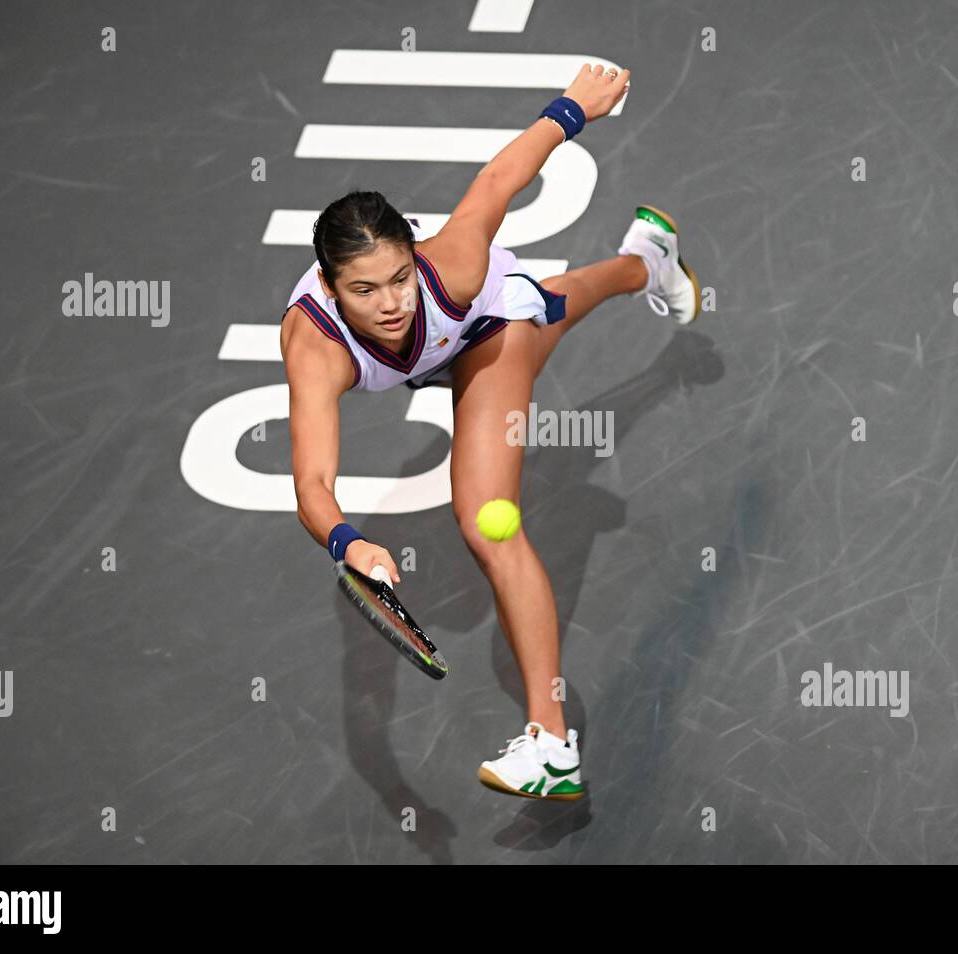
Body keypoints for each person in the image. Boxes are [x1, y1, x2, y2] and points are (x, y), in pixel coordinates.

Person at [279, 63, 702, 800]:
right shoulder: (314, 348)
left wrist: (573, 107)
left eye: (398, 279)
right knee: (575, 296)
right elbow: (312, 484)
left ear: (414, 260)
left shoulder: (453, 270)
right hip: (446, 353)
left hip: (489, 330)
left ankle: (552, 744)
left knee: (487, 523)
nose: (388, 304)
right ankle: (647, 259)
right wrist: (349, 541)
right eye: (363, 290)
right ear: (329, 285)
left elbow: (500, 180)